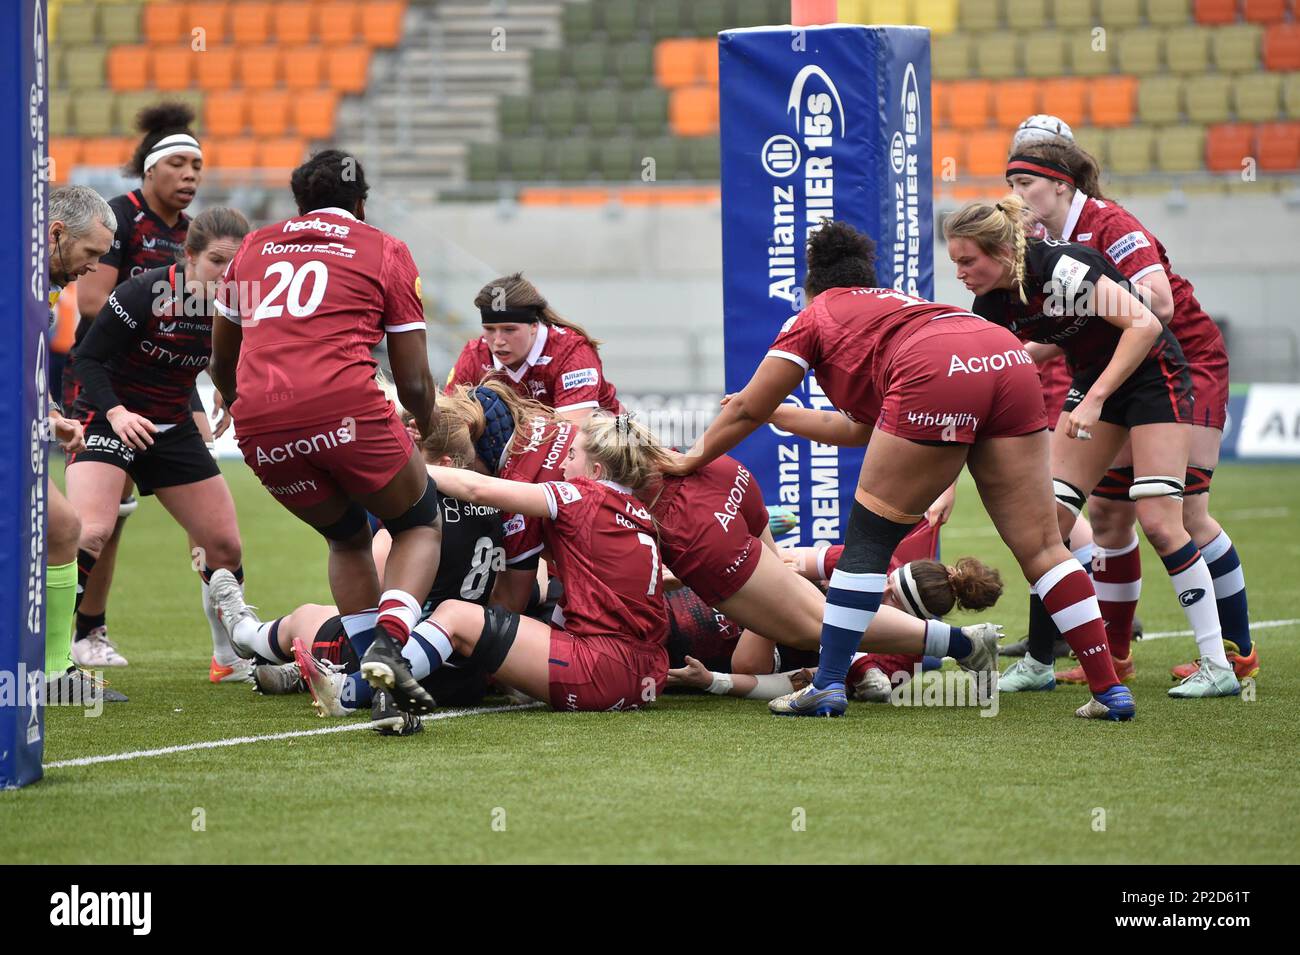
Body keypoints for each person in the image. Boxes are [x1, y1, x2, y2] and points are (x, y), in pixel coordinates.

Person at [665, 220, 1133, 720]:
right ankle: (1109, 691)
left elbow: (744, 410)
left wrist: (692, 458)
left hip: (935, 367)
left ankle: (826, 686)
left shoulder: (815, 314)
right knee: (1044, 547)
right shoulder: (897, 304)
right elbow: (857, 429)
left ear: (811, 285)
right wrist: (781, 413)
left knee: (868, 543)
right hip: (1002, 355)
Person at [947, 196, 1239, 699]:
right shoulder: (994, 302)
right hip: (1096, 379)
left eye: (967, 260)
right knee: (1051, 520)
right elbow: (1013, 363)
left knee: (1160, 522)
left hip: (1154, 377)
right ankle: (1040, 660)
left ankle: (1219, 665)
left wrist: (1094, 399)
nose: (960, 273)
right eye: (955, 262)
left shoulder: (1061, 267)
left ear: (998, 250)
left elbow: (1146, 325)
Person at [1007, 137, 1255, 694]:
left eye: (1025, 184)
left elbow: (1158, 307)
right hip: (1114, 371)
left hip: (1183, 364)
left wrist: (1090, 335)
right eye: (1012, 185)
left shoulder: (1110, 225)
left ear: (1062, 185)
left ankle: (1236, 656)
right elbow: (1074, 328)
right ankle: (1108, 658)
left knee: (1181, 516)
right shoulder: (1048, 241)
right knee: (1104, 517)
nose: (1016, 196)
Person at [211, 149, 442, 705]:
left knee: (345, 536)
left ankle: (366, 682)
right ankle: (389, 645)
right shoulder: (384, 248)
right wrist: (427, 429)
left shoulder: (253, 246)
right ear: (361, 203)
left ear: (298, 204)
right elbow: (411, 382)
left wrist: (243, 405)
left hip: (261, 422)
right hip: (345, 408)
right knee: (418, 520)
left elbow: (220, 362)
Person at [209, 399, 507, 735]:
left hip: (400, 660)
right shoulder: (498, 509)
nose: (402, 468)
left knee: (309, 617)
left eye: (411, 457)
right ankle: (307, 671)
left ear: (442, 462)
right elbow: (509, 595)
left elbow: (375, 586)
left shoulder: (416, 519)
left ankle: (245, 634)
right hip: (468, 674)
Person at [62, 102, 220, 671]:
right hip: (105, 380)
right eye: (178, 163)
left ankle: (225, 645)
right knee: (102, 516)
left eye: (198, 166)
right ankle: (84, 630)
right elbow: (90, 303)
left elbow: (203, 315)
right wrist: (159, 310)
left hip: (170, 383)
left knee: (207, 519)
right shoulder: (120, 220)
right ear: (149, 170)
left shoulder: (194, 236)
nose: (190, 176)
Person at [65, 207, 253, 682]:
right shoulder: (146, 291)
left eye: (235, 266)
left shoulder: (238, 303)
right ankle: (47, 654)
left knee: (225, 546)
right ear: (189, 257)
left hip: (171, 426)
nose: (225, 275)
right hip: (108, 416)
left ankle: (228, 658)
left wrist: (228, 395)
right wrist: (115, 412)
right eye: (215, 262)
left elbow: (218, 355)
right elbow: (86, 357)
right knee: (91, 532)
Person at [380, 413, 670, 714]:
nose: (561, 465)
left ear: (595, 471)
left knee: (453, 615)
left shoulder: (583, 496)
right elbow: (582, 597)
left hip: (599, 669)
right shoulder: (640, 515)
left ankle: (382, 689)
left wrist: (407, 468)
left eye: (571, 455)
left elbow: (476, 489)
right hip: (645, 677)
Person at [669, 554, 1003, 703]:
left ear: (911, 620)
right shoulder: (872, 562)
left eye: (893, 600)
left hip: (740, 649)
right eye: (887, 584)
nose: (881, 593)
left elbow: (790, 679)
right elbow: (778, 560)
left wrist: (715, 683)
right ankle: (960, 645)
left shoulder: (898, 657)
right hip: (696, 603)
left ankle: (959, 644)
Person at [42, 186, 121, 704]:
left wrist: (49, 415)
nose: (93, 267)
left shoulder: (43, 287)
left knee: (63, 527)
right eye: (90, 253)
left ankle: (52, 672)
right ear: (56, 234)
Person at [446, 273, 622, 422]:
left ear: (534, 326)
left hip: (617, 444)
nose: (498, 341)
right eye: (490, 329)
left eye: (509, 329)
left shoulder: (572, 351)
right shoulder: (475, 354)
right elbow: (449, 422)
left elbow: (570, 439)